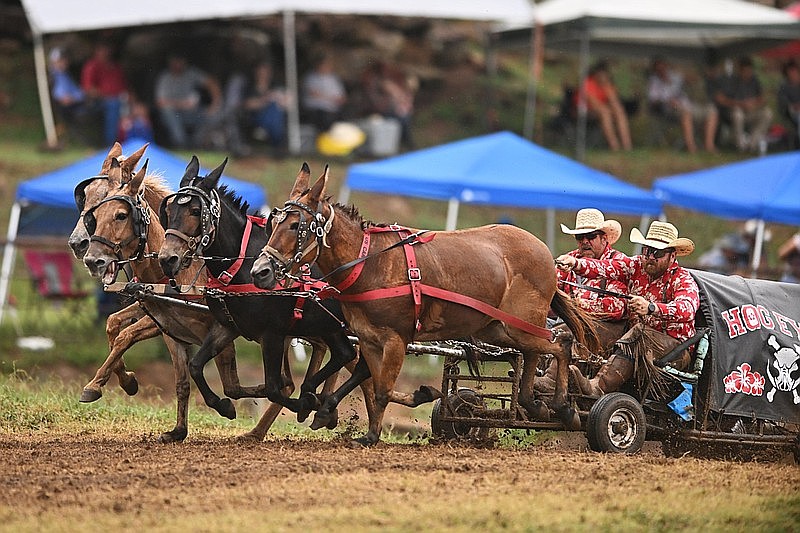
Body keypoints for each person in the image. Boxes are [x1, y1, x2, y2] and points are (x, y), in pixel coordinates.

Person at [555, 221, 700, 396]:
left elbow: (686, 309)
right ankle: (552, 381)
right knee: (585, 327)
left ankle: (598, 387)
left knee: (638, 333)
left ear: (672, 256)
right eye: (647, 251)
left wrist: (651, 308)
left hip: (675, 349)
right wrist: (576, 264)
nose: (650, 257)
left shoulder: (682, 279)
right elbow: (606, 267)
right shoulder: (635, 265)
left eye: (658, 253)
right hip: (633, 335)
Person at [535, 209, 628, 394]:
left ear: (604, 238)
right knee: (538, 327)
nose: (584, 241)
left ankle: (550, 380)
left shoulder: (619, 263)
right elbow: (549, 287)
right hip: (573, 323)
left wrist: (574, 306)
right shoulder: (570, 260)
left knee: (571, 330)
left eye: (591, 236)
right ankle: (533, 371)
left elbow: (617, 307)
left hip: (611, 329)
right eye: (580, 237)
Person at [647, 56, 717, 153]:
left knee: (711, 110)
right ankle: (691, 148)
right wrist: (666, 101)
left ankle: (709, 145)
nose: (662, 70)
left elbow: (693, 79)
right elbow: (653, 101)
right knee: (686, 113)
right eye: (659, 68)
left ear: (667, 66)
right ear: (655, 70)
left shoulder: (675, 76)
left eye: (663, 67)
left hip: (687, 104)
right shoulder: (653, 82)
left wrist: (688, 74)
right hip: (669, 110)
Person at [154, 53, 223, 149]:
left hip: (192, 113)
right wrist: (183, 104)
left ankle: (197, 143)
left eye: (180, 61)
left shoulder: (191, 74)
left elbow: (212, 83)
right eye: (175, 61)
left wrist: (215, 105)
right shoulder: (165, 77)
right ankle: (181, 143)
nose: (177, 64)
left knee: (213, 115)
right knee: (167, 111)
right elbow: (160, 102)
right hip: (174, 115)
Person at [711, 56, 773, 153]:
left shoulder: (754, 81)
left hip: (752, 111)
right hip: (734, 112)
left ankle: (752, 144)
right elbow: (720, 98)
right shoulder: (732, 81)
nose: (747, 73)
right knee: (738, 114)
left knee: (767, 113)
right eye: (745, 71)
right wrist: (740, 103)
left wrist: (754, 102)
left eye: (749, 70)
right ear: (740, 70)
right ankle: (741, 146)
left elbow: (762, 98)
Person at [225, 61, 289, 152]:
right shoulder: (249, 87)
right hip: (256, 118)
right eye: (260, 72)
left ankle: (273, 137)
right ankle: (275, 141)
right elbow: (247, 104)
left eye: (265, 72)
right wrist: (265, 99)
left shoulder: (275, 85)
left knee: (275, 110)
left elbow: (287, 101)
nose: (263, 74)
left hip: (275, 118)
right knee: (272, 109)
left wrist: (277, 98)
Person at [575, 60, 632, 151]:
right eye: (600, 74)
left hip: (601, 111)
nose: (602, 76)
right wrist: (609, 110)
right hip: (582, 112)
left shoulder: (607, 85)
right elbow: (594, 103)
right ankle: (614, 147)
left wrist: (607, 88)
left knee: (619, 111)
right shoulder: (588, 83)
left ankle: (627, 146)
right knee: (604, 113)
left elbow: (614, 102)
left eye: (605, 74)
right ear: (596, 73)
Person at [361, 60, 417, 150]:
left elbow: (403, 99)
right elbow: (380, 102)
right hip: (381, 110)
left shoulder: (396, 81)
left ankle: (405, 142)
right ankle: (406, 142)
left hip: (392, 108)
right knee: (403, 119)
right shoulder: (380, 82)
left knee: (404, 117)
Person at [80, 42, 128, 146]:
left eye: (107, 49)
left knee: (138, 109)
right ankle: (112, 144)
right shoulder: (92, 66)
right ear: (96, 51)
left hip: (121, 98)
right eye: (103, 50)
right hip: (99, 102)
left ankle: (134, 142)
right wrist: (107, 95)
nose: (106, 52)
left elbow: (124, 86)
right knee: (113, 105)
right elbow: (88, 89)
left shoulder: (114, 66)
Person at [301, 54, 346, 132]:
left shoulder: (334, 78)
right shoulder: (310, 78)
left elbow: (342, 97)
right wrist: (331, 98)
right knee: (324, 118)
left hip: (333, 109)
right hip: (316, 109)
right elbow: (313, 93)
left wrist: (337, 99)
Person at [777, 60, 800, 149]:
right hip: (792, 113)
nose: (793, 75)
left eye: (794, 72)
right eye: (790, 72)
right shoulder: (784, 87)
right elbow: (785, 104)